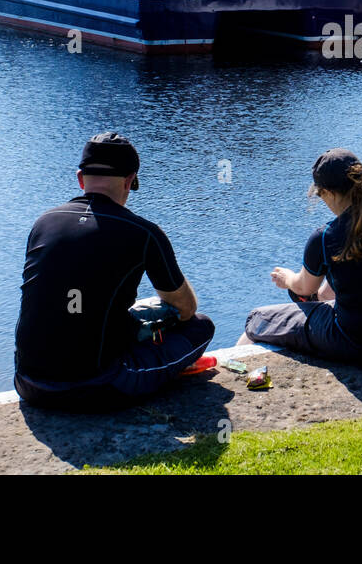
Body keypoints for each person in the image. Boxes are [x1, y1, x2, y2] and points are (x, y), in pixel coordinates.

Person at [13, 132, 214, 411]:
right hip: (95, 387)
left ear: (80, 179)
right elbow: (186, 309)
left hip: (28, 383)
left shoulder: (43, 223)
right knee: (201, 327)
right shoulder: (144, 233)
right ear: (130, 182)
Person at [241, 149, 362, 365]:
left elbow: (303, 288)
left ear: (329, 192)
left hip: (361, 344)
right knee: (347, 284)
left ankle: (237, 369)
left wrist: (287, 278)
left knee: (256, 320)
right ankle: (323, 305)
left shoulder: (325, 237)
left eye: (320, 195)